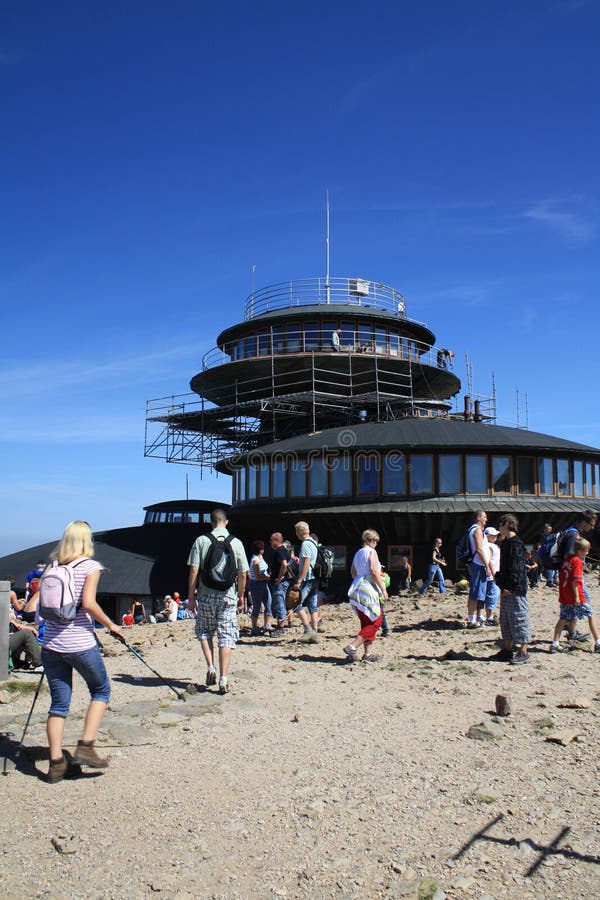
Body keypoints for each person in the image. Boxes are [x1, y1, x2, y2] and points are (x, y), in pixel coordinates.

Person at [40, 520, 123, 783]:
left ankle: (56, 764)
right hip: (79, 642)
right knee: (100, 690)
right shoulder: (89, 566)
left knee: (59, 703)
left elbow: (39, 607)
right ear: (87, 541)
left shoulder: (52, 566)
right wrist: (110, 624)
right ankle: (86, 746)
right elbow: (87, 603)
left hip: (51, 644)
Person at [187, 508, 249, 694]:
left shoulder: (201, 541)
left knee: (204, 631)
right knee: (226, 635)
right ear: (226, 522)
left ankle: (211, 667)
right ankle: (223, 678)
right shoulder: (236, 543)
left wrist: (191, 597)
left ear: (211, 522)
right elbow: (243, 573)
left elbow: (193, 571)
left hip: (206, 594)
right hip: (228, 595)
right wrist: (240, 595)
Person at [344, 529, 388, 662]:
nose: (376, 544)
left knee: (366, 620)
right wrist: (383, 588)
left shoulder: (357, 553)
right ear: (371, 540)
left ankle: (368, 653)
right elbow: (374, 571)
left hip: (357, 587)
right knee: (376, 621)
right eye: (375, 541)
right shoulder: (371, 551)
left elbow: (353, 573)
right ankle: (353, 646)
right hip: (368, 589)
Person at [550, 537, 600, 654]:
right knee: (590, 615)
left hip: (565, 594)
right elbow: (575, 581)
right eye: (586, 551)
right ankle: (598, 642)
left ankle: (555, 644)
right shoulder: (577, 561)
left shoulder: (567, 559)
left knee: (563, 619)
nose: (587, 553)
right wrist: (577, 597)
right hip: (576, 596)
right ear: (579, 550)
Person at [493, 514, 531, 665]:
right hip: (507, 588)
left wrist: (510, 585)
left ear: (508, 524)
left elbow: (517, 568)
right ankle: (508, 650)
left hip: (515, 589)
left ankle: (524, 651)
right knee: (506, 619)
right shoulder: (507, 542)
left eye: (501, 523)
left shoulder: (515, 543)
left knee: (519, 619)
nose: (499, 526)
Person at [290, 521, 320, 643]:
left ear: (299, 532)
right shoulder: (314, 543)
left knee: (296, 603)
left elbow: (306, 562)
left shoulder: (306, 544)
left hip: (307, 578)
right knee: (313, 606)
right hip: (314, 579)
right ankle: (315, 633)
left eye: (296, 531)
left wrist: (299, 579)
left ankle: (308, 630)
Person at [466, 510, 494, 628]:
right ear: (478, 518)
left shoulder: (474, 529)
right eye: (484, 517)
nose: (486, 519)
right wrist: (487, 565)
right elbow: (479, 549)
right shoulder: (477, 530)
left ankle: (474, 618)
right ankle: (471, 620)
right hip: (478, 564)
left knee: (478, 592)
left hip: (477, 564)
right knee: (475, 592)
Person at [267, 532, 291, 637]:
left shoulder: (280, 551)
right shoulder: (285, 550)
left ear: (276, 540)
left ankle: (281, 627)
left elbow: (284, 564)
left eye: (271, 540)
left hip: (280, 583)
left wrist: (280, 577)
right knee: (277, 603)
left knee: (279, 603)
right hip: (280, 581)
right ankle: (279, 625)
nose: (270, 542)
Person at [249, 539, 273, 635]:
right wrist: (268, 577)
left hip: (263, 583)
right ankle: (254, 627)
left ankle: (267, 624)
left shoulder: (260, 557)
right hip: (257, 584)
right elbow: (257, 576)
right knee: (257, 606)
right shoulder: (255, 561)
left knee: (268, 603)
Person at [480, 526, 500, 626]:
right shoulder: (491, 546)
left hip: (489, 574)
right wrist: (493, 573)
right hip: (492, 575)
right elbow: (490, 560)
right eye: (494, 535)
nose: (496, 537)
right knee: (492, 595)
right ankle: (489, 617)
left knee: (489, 594)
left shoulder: (485, 546)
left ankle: (485, 616)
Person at [539, 523, 559, 587]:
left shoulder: (553, 536)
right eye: (548, 529)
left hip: (551, 553)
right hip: (544, 553)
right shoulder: (542, 536)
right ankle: (548, 581)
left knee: (553, 567)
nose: (550, 530)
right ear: (545, 529)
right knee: (546, 567)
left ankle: (552, 580)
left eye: (550, 529)